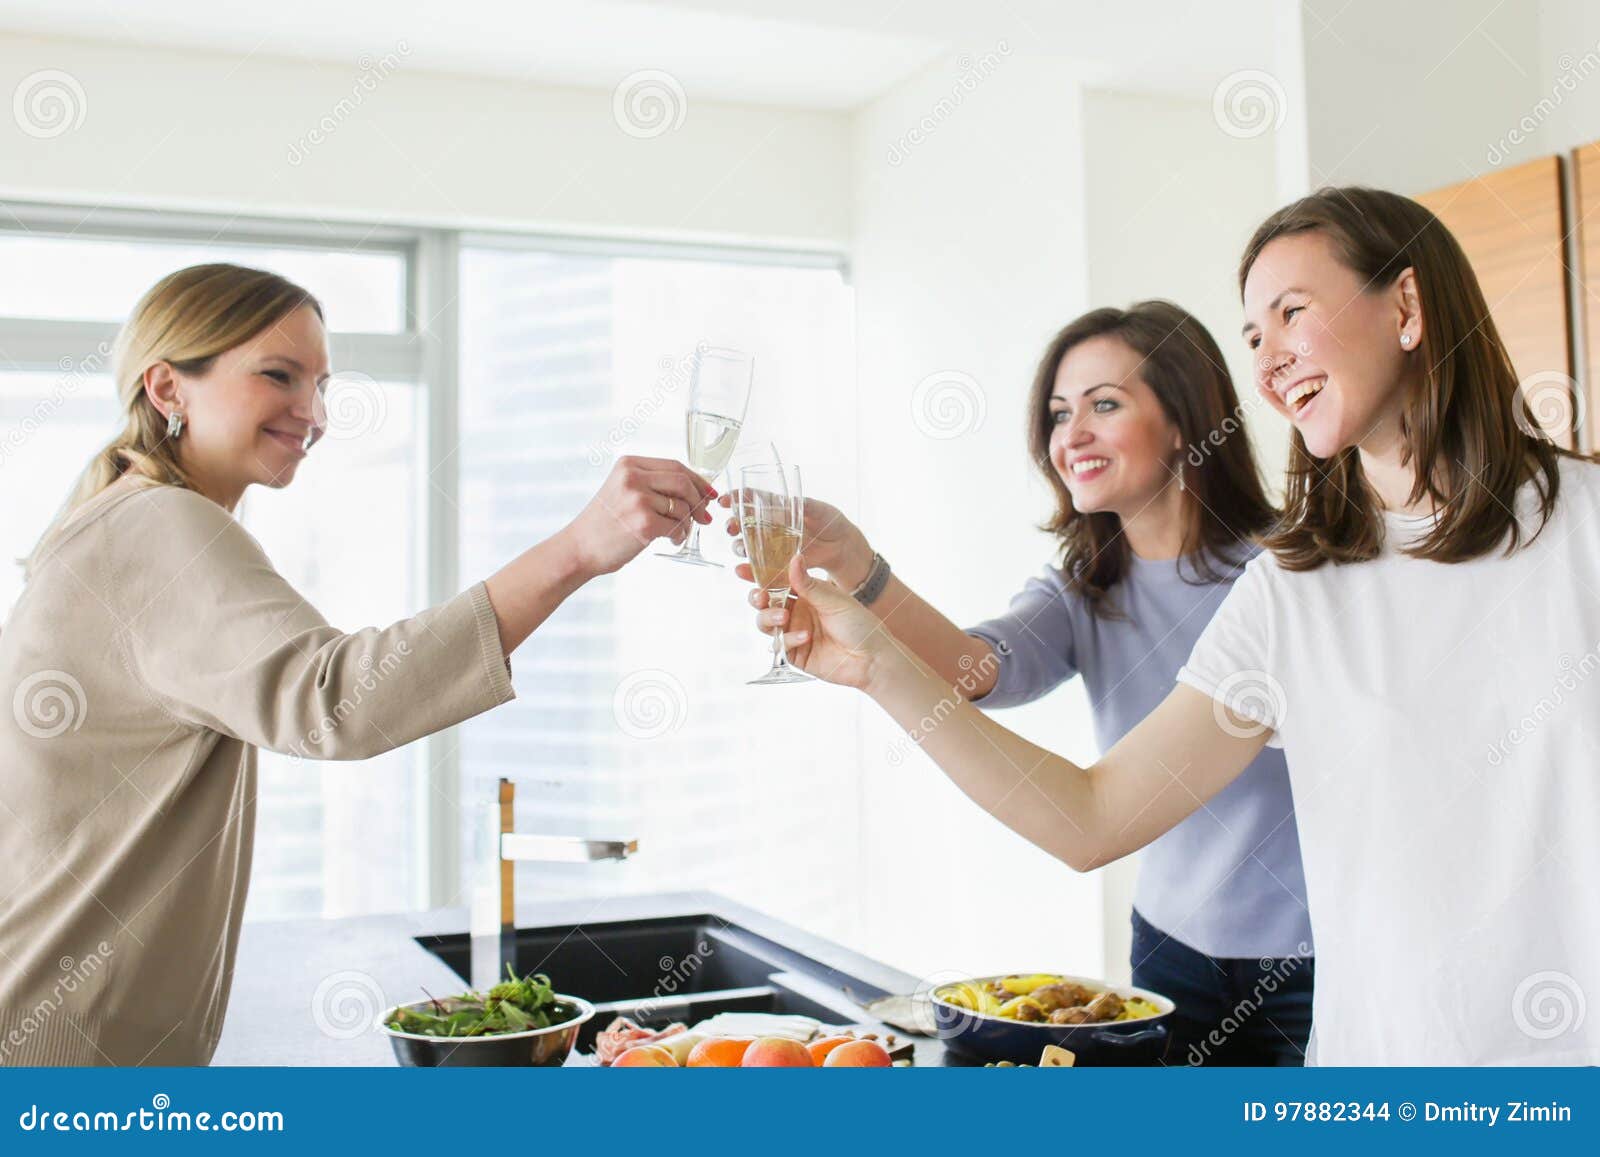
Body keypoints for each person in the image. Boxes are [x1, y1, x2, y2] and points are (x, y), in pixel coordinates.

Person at [753, 187, 1600, 1066]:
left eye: (1291, 313)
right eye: (1254, 338)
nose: (1269, 361)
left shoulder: (1587, 532)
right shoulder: (1293, 594)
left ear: (1409, 307)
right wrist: (878, 666)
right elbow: (1092, 814)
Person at [0, 263, 715, 1065]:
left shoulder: (123, 519)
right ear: (168, 387)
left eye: (323, 384)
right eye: (279, 375)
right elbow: (332, 700)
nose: (313, 413)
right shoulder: (157, 527)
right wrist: (577, 550)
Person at [728, 301, 1312, 1064]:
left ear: (1183, 421)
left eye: (1105, 404)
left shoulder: (1285, 576)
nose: (1071, 436)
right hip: (1170, 953)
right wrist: (857, 564)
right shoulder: (1086, 583)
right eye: (1059, 413)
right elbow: (974, 668)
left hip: (1310, 957)